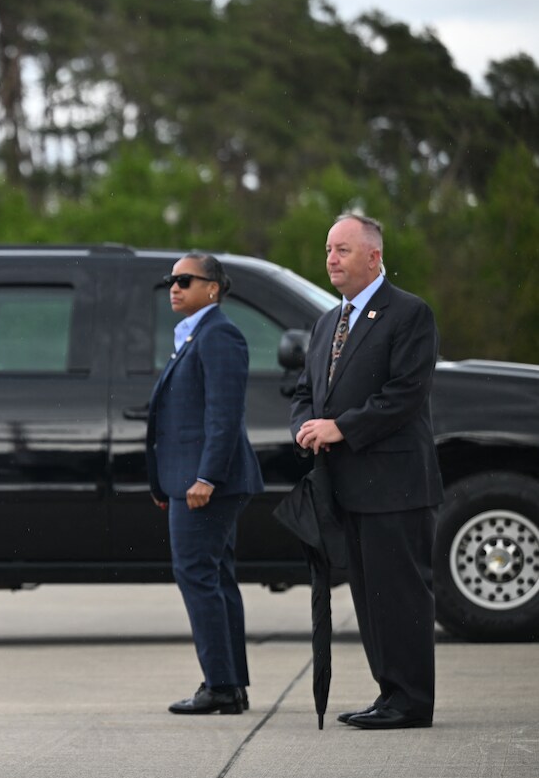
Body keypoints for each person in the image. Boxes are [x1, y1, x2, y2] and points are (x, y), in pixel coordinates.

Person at [291, 214, 442, 730]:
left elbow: (403, 396)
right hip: (349, 487)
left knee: (400, 595)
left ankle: (412, 700)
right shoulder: (326, 322)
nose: (331, 259)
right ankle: (389, 693)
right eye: (328, 249)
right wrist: (304, 426)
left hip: (396, 485)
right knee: (371, 599)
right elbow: (305, 393)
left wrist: (340, 428)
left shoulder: (408, 314)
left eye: (343, 250)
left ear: (373, 256)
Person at [146, 253, 264, 715]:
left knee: (198, 576)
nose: (174, 287)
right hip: (193, 480)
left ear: (213, 287)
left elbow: (224, 416)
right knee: (215, 577)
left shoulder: (220, 335)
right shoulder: (197, 334)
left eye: (184, 280)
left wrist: (205, 477)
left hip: (209, 483)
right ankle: (229, 684)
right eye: (171, 281)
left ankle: (220, 685)